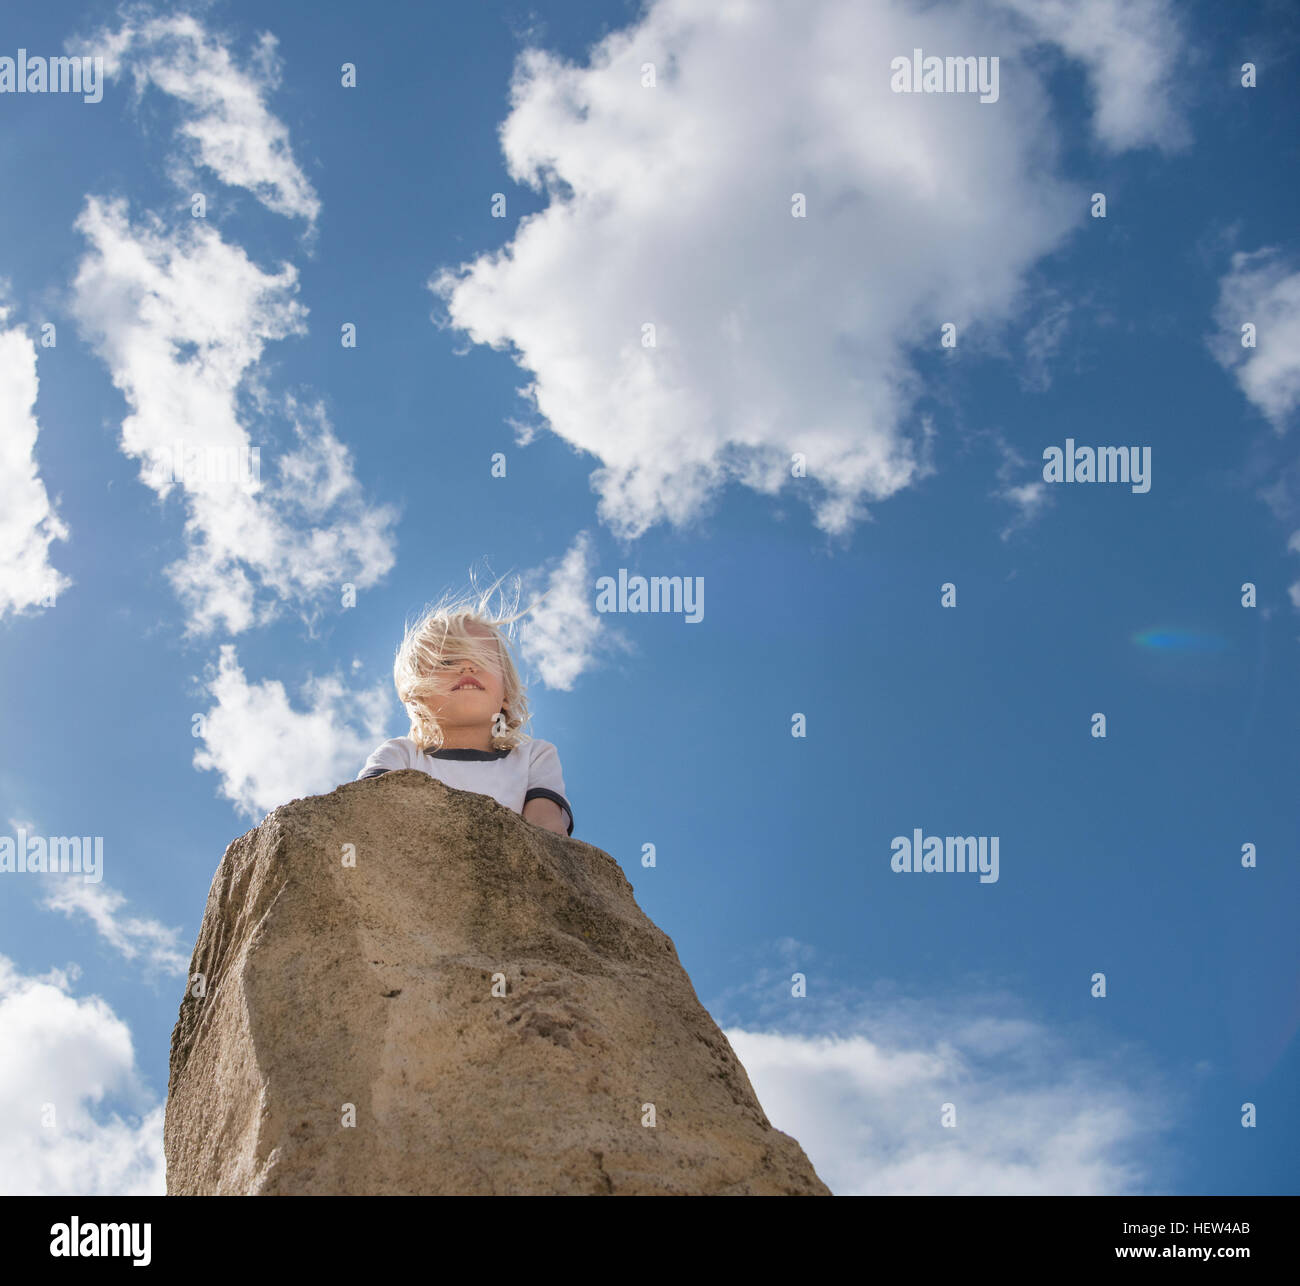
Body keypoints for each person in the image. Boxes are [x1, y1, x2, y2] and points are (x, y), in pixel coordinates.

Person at [355, 584, 573, 838]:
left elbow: (548, 831)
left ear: (506, 694)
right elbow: (364, 815)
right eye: (447, 661)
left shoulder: (534, 758)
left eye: (483, 659)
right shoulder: (401, 756)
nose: (468, 667)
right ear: (418, 693)